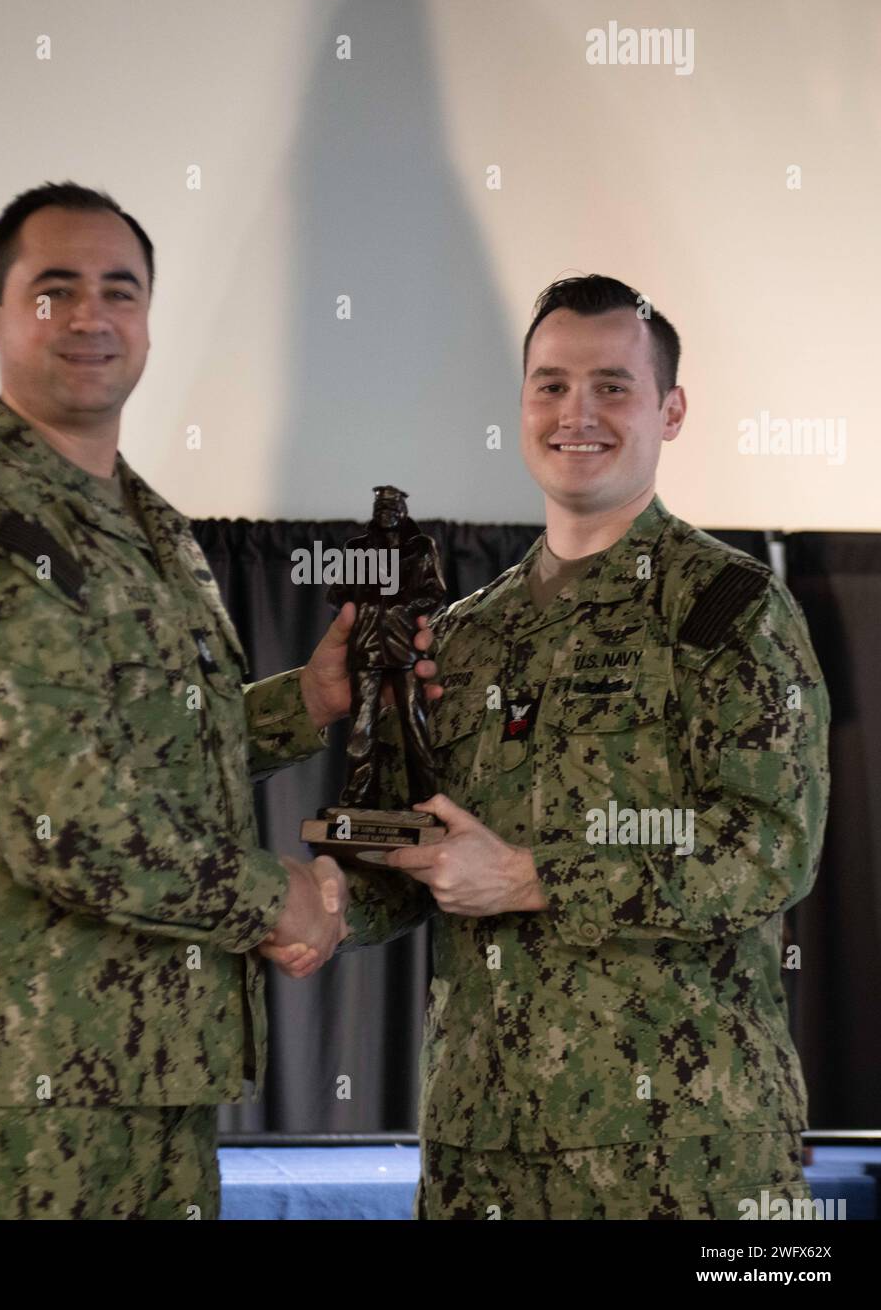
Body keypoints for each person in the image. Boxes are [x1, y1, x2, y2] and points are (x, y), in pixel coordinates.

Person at [0, 180, 436, 1220]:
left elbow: (148, 747)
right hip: (9, 1099)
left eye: (119, 291)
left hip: (143, 1077)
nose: (90, 317)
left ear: (148, 322)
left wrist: (303, 700)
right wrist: (284, 901)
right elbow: (70, 822)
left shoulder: (146, 526)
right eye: (54, 290)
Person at [337, 275, 831, 1220]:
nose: (576, 413)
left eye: (612, 385)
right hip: (481, 1153)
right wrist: (321, 900)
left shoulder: (728, 609)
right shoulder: (467, 631)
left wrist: (533, 877)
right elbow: (425, 851)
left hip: (685, 1160)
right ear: (521, 404)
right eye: (551, 385)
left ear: (669, 409)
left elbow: (770, 850)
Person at [327, 485, 446, 808]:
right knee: (361, 726)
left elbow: (435, 592)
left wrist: (404, 608)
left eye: (392, 509)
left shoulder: (420, 548)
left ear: (402, 513)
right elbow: (336, 593)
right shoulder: (356, 549)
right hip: (365, 644)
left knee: (414, 721)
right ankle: (359, 797)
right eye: (381, 509)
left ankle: (426, 796)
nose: (386, 515)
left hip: (403, 644)